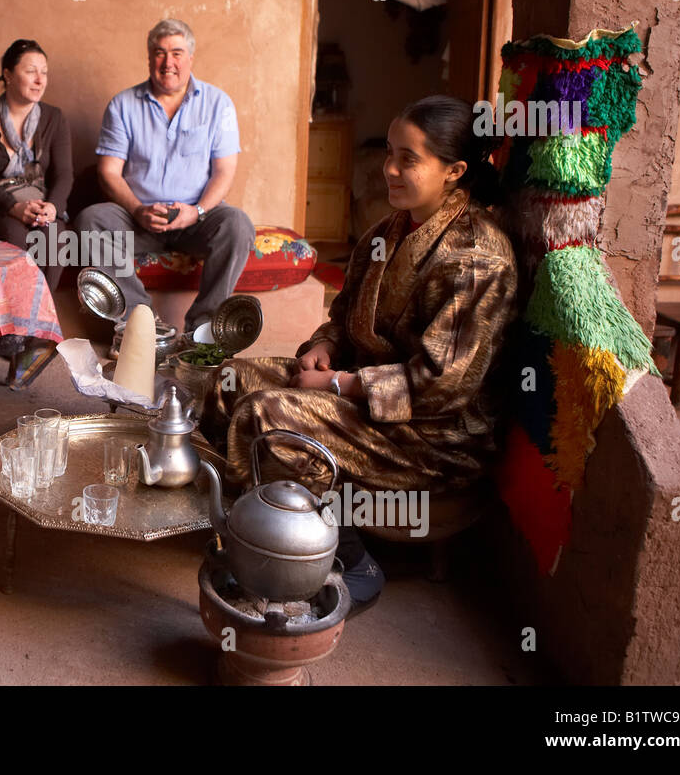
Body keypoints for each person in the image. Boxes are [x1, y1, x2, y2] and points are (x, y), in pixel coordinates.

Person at [200, 95, 518, 612]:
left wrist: (338, 386)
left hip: (434, 434)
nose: (388, 168)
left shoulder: (478, 258)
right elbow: (344, 316)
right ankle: (246, 520)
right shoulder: (385, 232)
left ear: (455, 170)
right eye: (389, 152)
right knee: (230, 379)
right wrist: (325, 347)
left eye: (408, 159)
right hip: (361, 394)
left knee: (272, 416)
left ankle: (341, 556)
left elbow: (444, 383)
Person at [74, 18, 255, 333]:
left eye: (176, 52)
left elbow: (225, 171)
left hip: (196, 219)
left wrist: (195, 211)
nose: (168, 62)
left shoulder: (218, 104)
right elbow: (109, 173)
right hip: (138, 218)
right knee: (91, 220)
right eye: (159, 53)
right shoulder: (122, 105)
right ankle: (141, 325)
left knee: (238, 225)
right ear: (149, 58)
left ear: (190, 58)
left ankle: (204, 328)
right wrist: (137, 210)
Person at [0, 39, 74, 289]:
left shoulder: (54, 118)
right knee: (14, 235)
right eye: (31, 71)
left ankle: (42, 317)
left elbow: (64, 174)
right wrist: (13, 206)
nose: (40, 80)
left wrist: (53, 208)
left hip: (38, 202)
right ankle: (13, 317)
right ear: (8, 75)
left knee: (54, 234)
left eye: (44, 72)